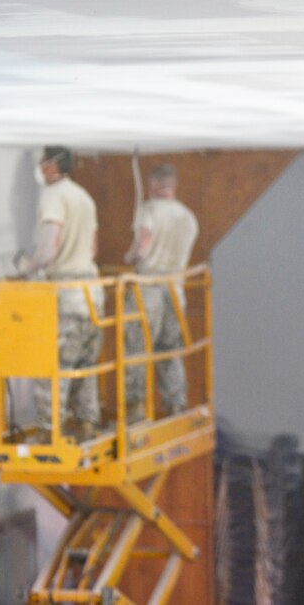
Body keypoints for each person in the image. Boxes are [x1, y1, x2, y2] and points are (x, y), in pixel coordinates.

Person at [14, 146, 103, 443]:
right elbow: (93, 249)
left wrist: (29, 265)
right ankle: (87, 422)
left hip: (67, 294)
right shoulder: (84, 197)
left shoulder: (53, 197)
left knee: (53, 365)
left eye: (42, 162)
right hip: (92, 292)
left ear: (52, 166)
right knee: (85, 364)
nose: (40, 167)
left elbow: (50, 246)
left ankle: (48, 431)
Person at [122, 163, 199, 420]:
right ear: (174, 185)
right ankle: (175, 403)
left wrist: (129, 257)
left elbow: (142, 246)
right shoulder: (188, 217)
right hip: (175, 290)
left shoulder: (149, 210)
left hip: (148, 288)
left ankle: (136, 407)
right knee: (170, 349)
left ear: (154, 184)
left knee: (137, 346)